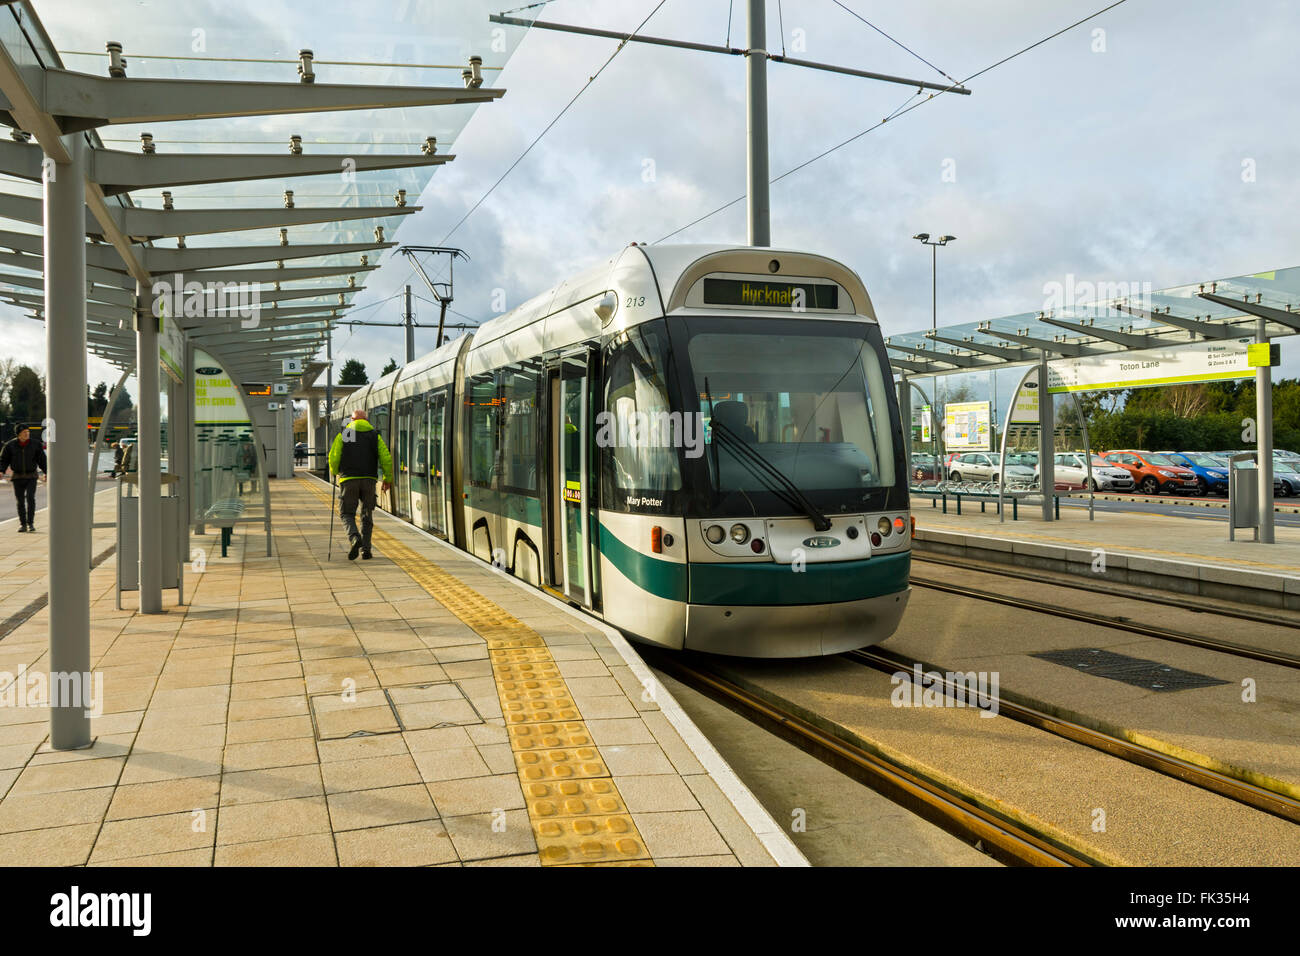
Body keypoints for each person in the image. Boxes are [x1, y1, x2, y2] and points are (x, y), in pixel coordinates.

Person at [327, 409, 393, 560]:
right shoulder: (374, 435)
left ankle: (354, 537)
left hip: (348, 479)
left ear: (352, 420)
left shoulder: (344, 435)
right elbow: (386, 458)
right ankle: (366, 551)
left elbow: (334, 457)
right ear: (366, 420)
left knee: (346, 513)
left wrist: (335, 471)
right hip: (369, 480)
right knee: (367, 514)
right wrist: (388, 479)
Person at [0, 425, 48, 533]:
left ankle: (31, 523)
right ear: (18, 434)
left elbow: (42, 460)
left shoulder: (35, 444)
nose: (27, 434)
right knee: (20, 501)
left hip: (31, 476)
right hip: (17, 476)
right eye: (24, 432)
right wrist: (1, 470)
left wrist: (46, 472)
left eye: (28, 432)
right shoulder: (10, 445)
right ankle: (23, 524)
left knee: (30, 498)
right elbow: (3, 460)